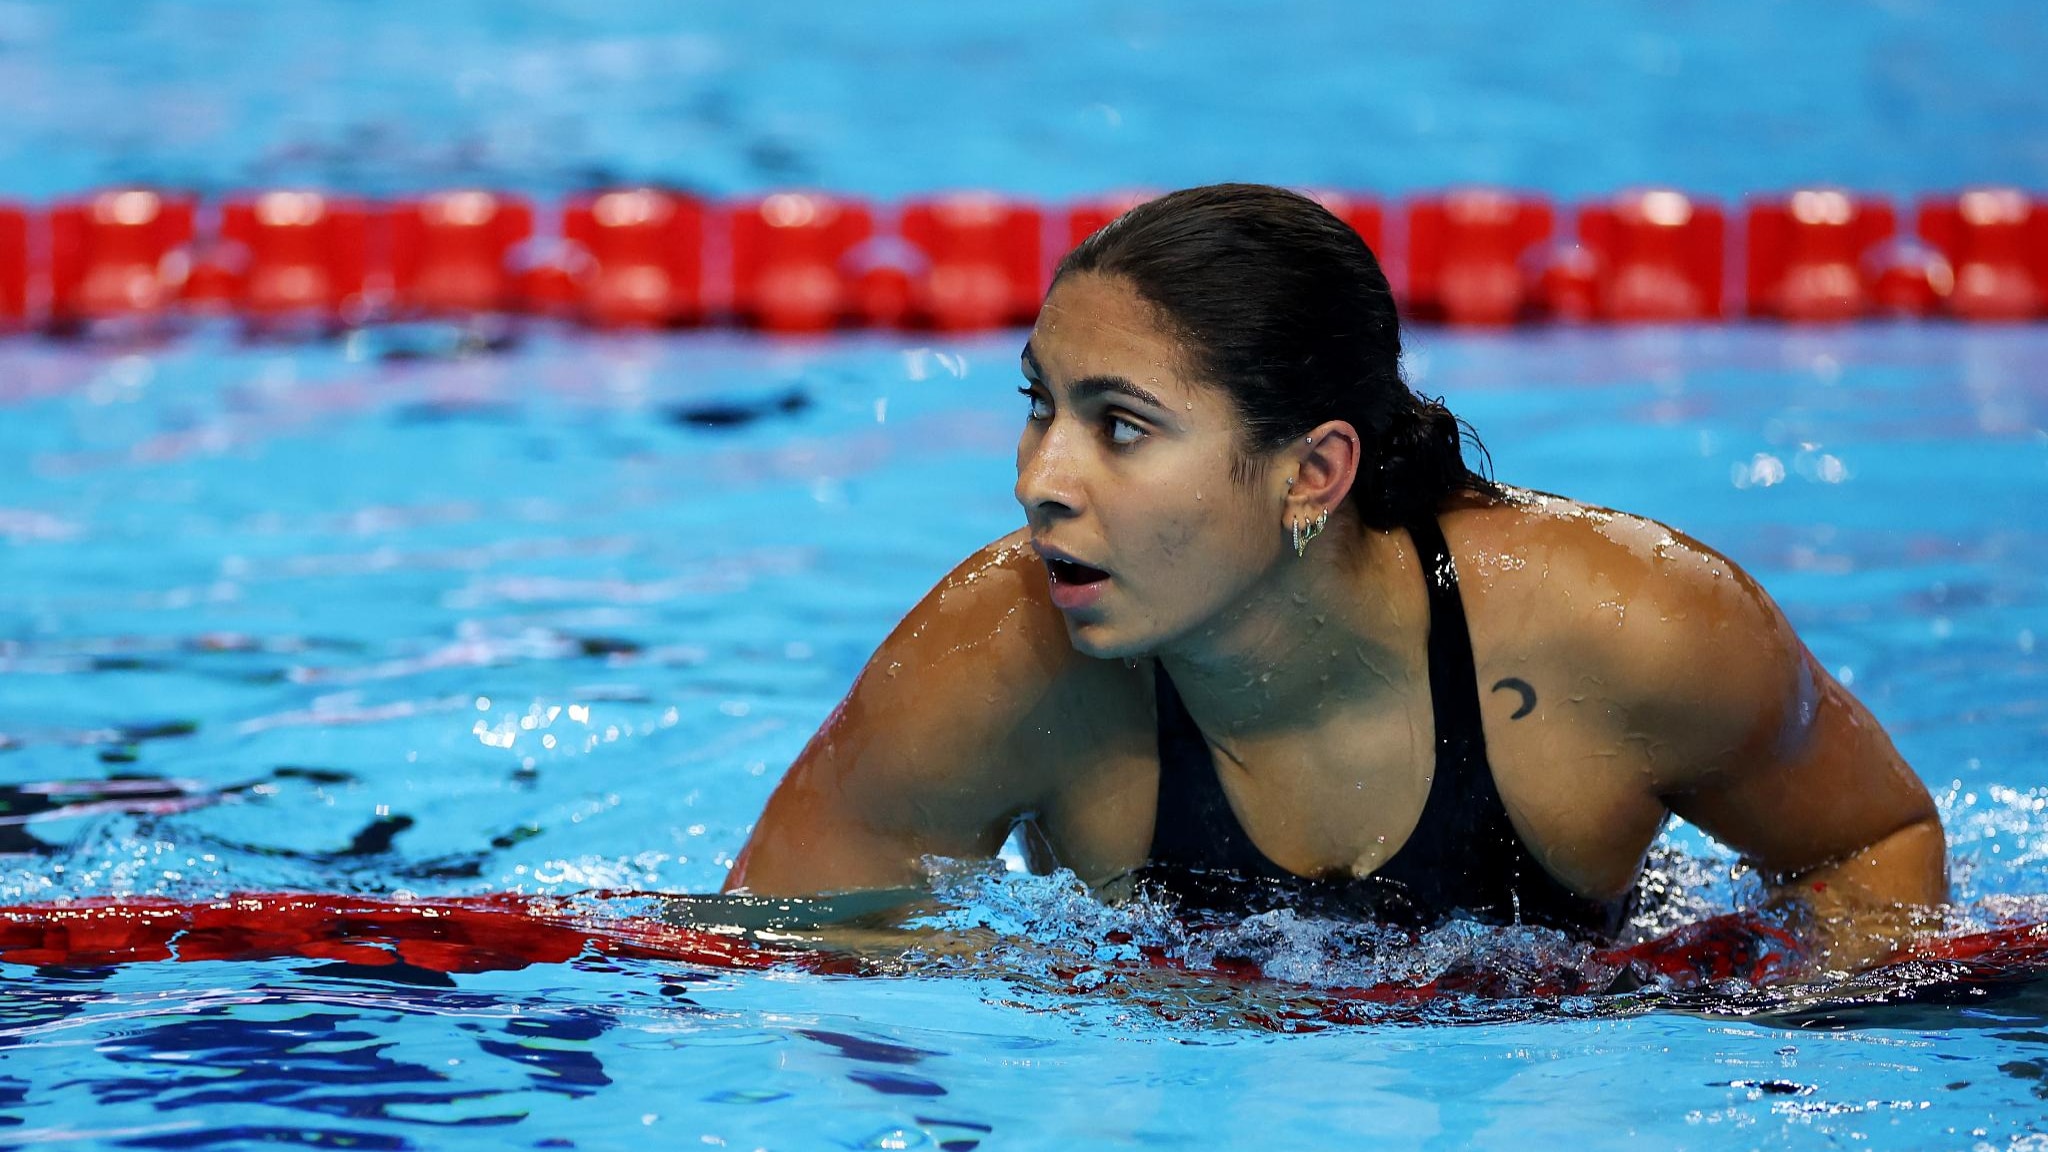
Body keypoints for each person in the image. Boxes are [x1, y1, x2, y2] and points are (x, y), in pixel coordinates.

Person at [722, 183, 1945, 967]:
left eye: (1121, 426)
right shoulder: (996, 654)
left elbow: (1870, 843)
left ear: (1311, 473)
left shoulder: (1631, 629)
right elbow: (757, 958)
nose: (1039, 478)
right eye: (1040, 408)